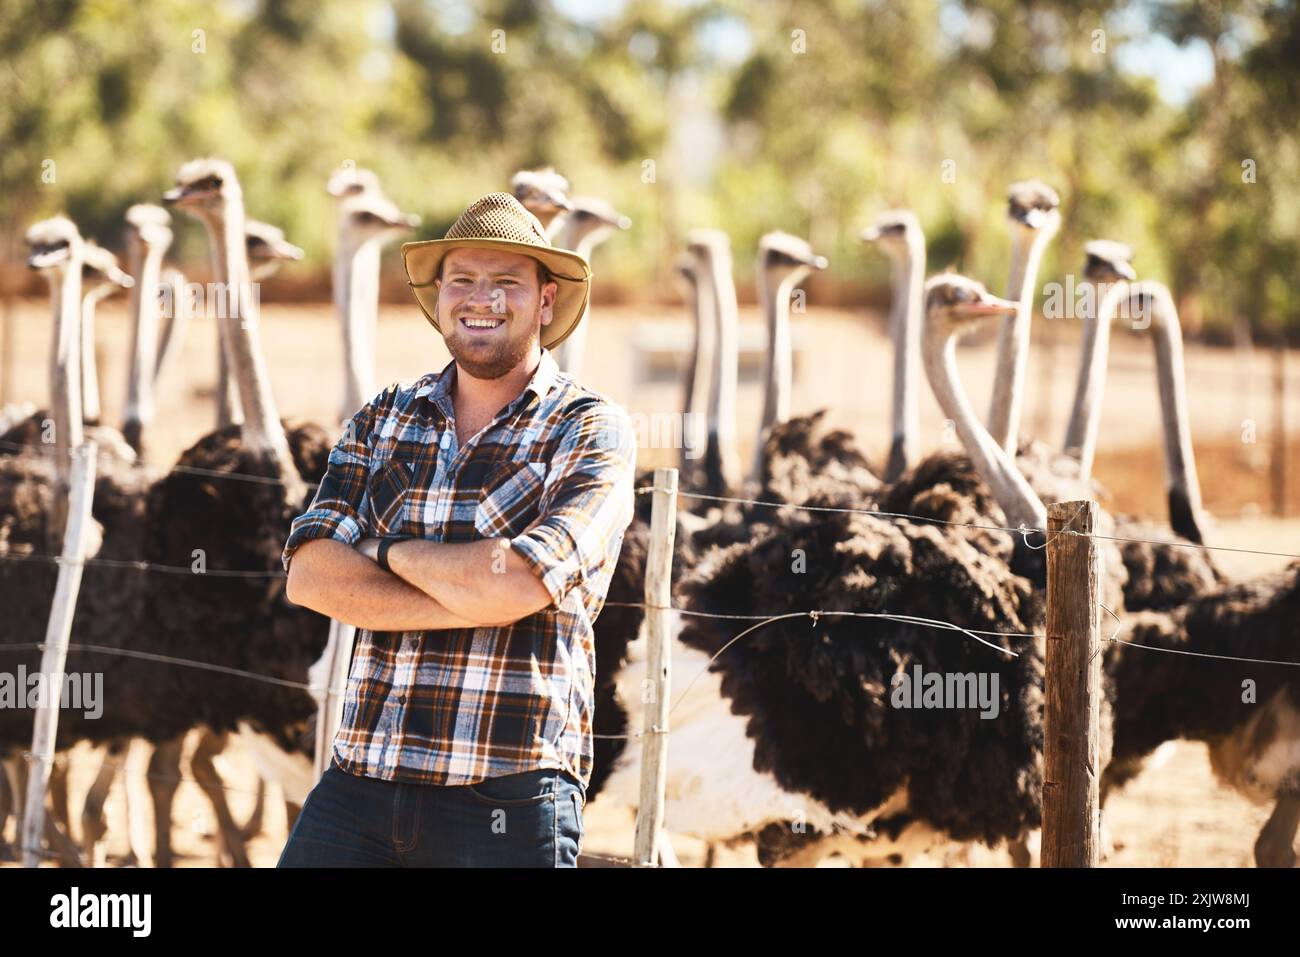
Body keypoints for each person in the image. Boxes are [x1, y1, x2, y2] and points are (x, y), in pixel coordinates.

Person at [277, 192, 636, 867]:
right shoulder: (386, 416)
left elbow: (521, 583)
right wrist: (466, 590)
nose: (482, 299)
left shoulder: (589, 428)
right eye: (463, 280)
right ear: (440, 296)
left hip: (506, 793)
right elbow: (309, 573)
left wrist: (382, 550)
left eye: (507, 282)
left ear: (547, 301)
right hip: (363, 778)